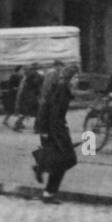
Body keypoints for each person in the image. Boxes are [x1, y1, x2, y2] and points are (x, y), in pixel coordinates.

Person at [34, 59, 77, 204]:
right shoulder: (61, 89)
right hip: (54, 130)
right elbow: (51, 111)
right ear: (70, 77)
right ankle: (42, 169)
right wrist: (48, 132)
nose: (77, 80)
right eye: (76, 77)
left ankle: (48, 190)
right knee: (68, 159)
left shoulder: (64, 89)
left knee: (63, 161)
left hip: (56, 129)